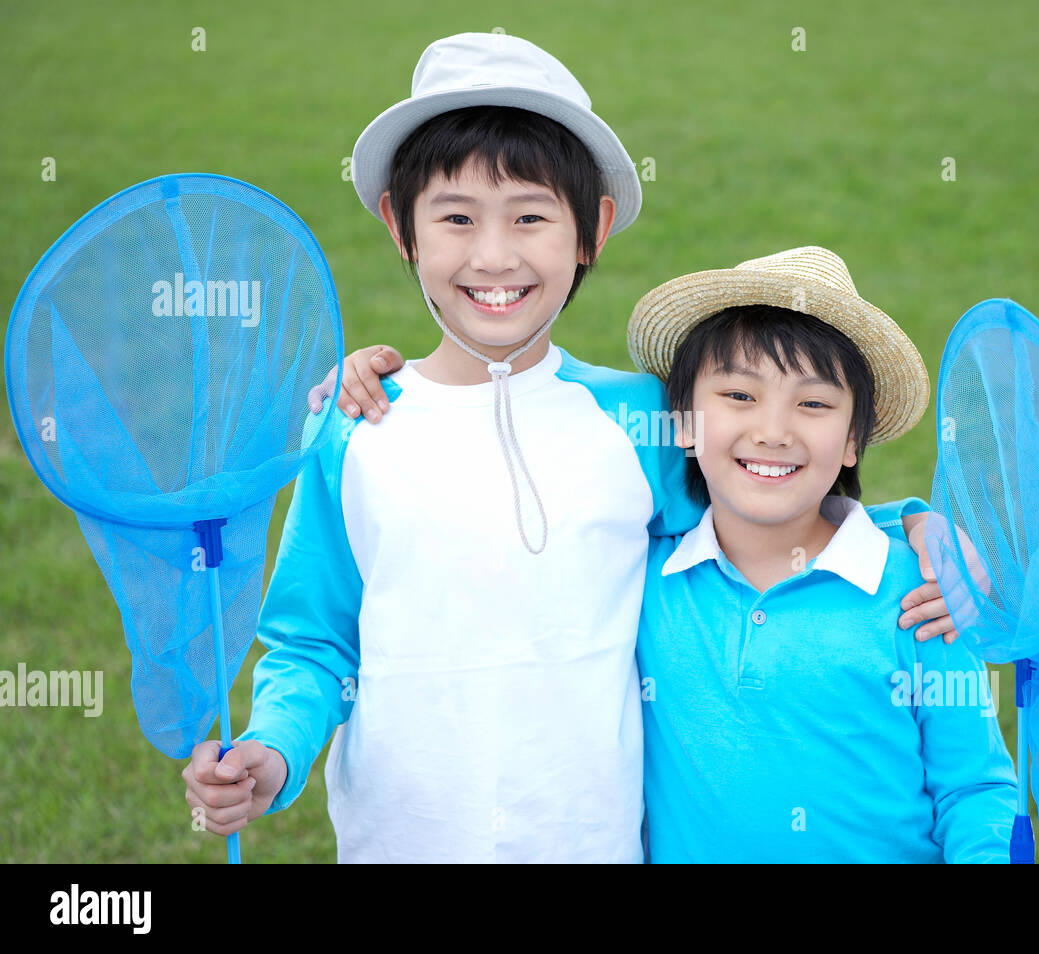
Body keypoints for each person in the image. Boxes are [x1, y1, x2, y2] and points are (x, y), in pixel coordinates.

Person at [182, 34, 952, 862]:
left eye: (531, 217)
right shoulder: (354, 426)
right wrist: (273, 750)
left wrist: (908, 524)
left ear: (593, 229)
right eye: (454, 218)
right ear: (399, 227)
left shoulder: (639, 420)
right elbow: (314, 640)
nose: (493, 256)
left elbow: (767, 503)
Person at [628, 247, 1017, 862]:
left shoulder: (920, 594)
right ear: (684, 423)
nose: (773, 430)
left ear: (853, 439)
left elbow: (974, 786)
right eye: (738, 395)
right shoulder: (645, 577)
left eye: (813, 404)